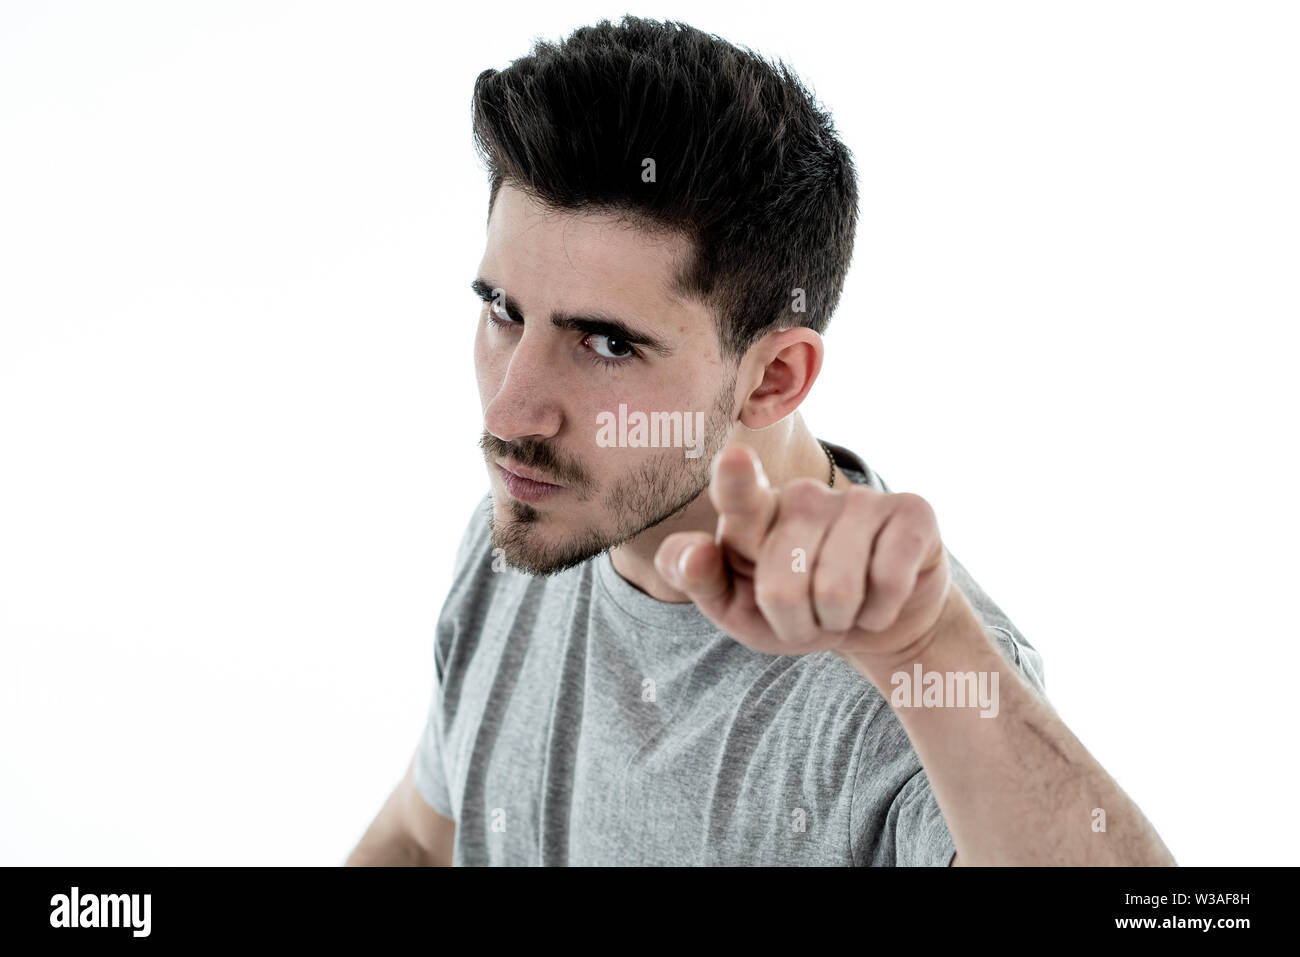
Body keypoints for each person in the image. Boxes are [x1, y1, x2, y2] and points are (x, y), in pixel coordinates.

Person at [347, 15, 1175, 866]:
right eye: (503, 310)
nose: (510, 413)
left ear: (773, 377)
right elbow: (418, 837)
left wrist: (924, 649)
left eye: (607, 342)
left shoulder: (913, 688)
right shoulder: (528, 534)